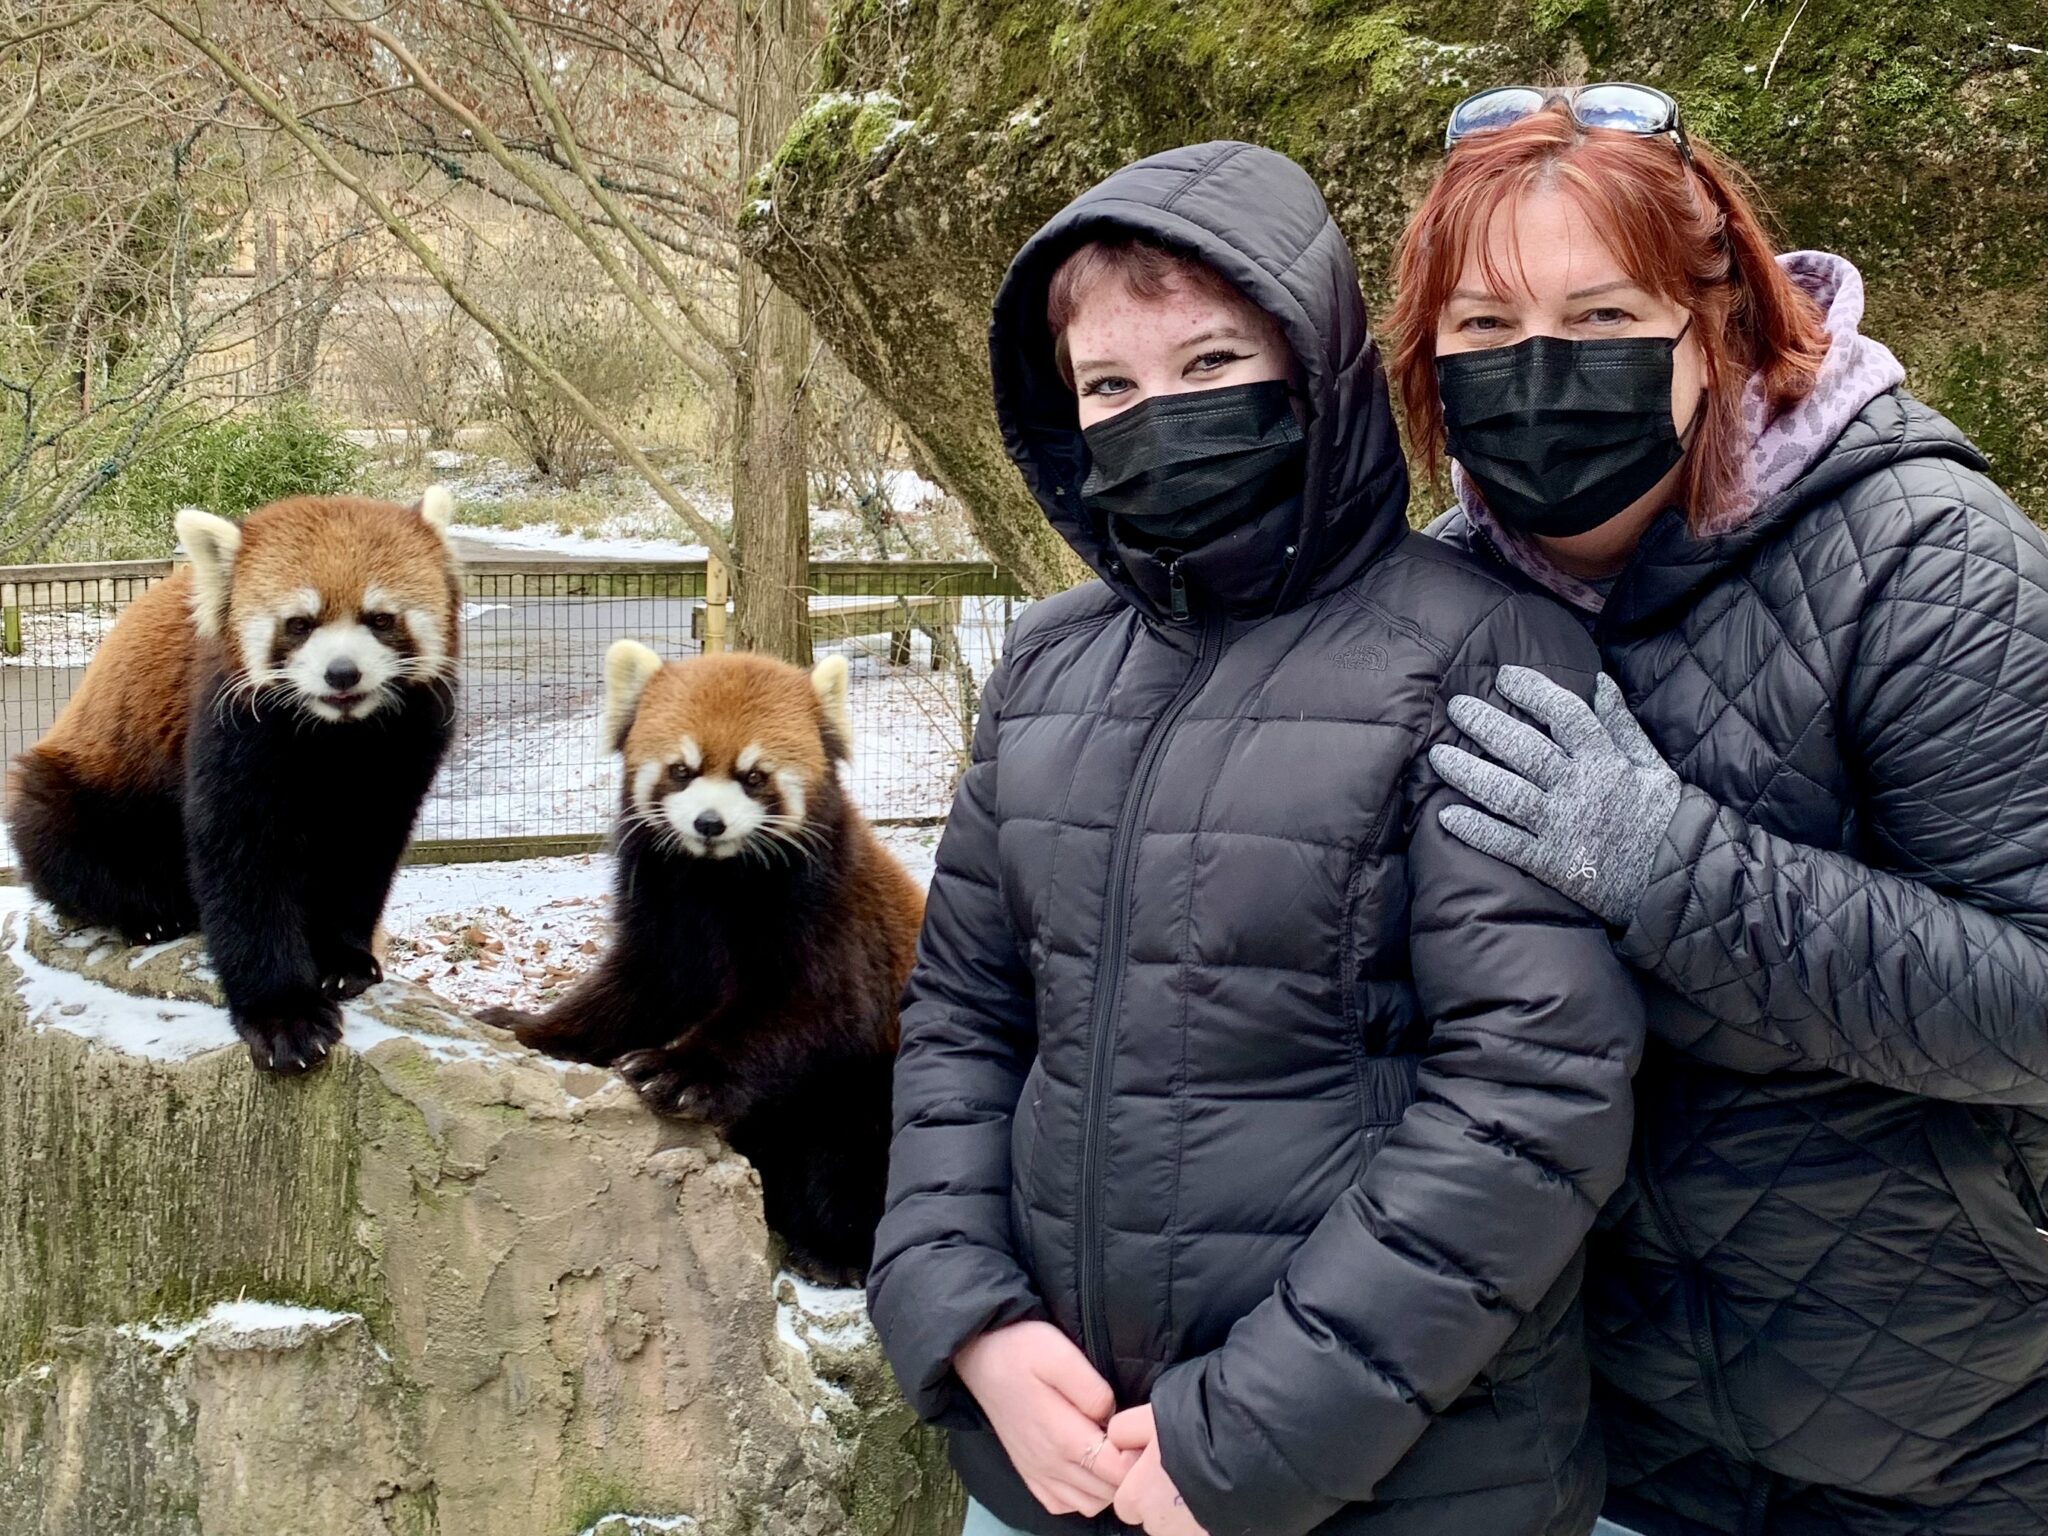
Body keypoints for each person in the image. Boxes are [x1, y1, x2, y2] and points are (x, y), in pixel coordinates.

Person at [867, 139, 1645, 1536]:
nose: (1158, 414)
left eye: (1213, 365)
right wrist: (963, 1314)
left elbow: (1533, 1090)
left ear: (1316, 368)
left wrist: (1253, 1434)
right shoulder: (1047, 667)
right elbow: (965, 1024)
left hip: (1398, 1481)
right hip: (1052, 1467)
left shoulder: (1482, 648)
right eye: (1110, 386)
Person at [1390, 83, 2048, 1536]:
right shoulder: (1443, 597)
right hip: (1615, 1445)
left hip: (1952, 1442)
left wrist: (1666, 867)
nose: (1542, 370)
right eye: (1486, 329)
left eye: (1607, 319)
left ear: (1719, 325)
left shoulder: (1926, 563)